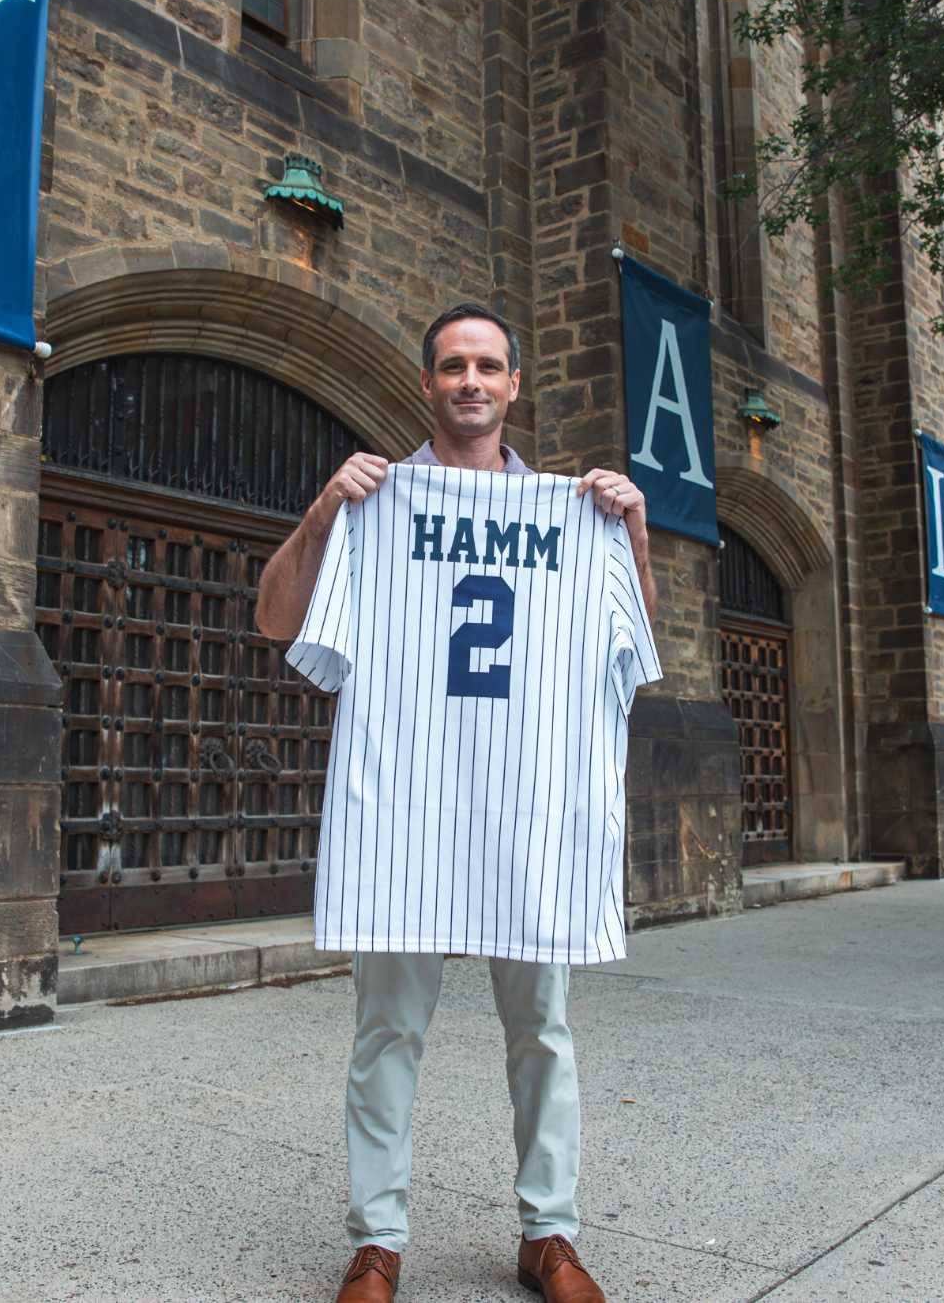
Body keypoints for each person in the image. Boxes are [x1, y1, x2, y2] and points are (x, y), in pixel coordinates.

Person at [255, 302, 656, 1303]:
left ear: (514, 384)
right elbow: (275, 619)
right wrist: (323, 508)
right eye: (451, 365)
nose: (469, 380)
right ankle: (376, 1241)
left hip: (527, 806)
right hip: (409, 808)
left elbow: (633, 652)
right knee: (386, 1032)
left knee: (543, 1032)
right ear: (427, 382)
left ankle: (548, 1234)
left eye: (486, 365)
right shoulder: (374, 501)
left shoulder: (577, 514)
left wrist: (636, 533)